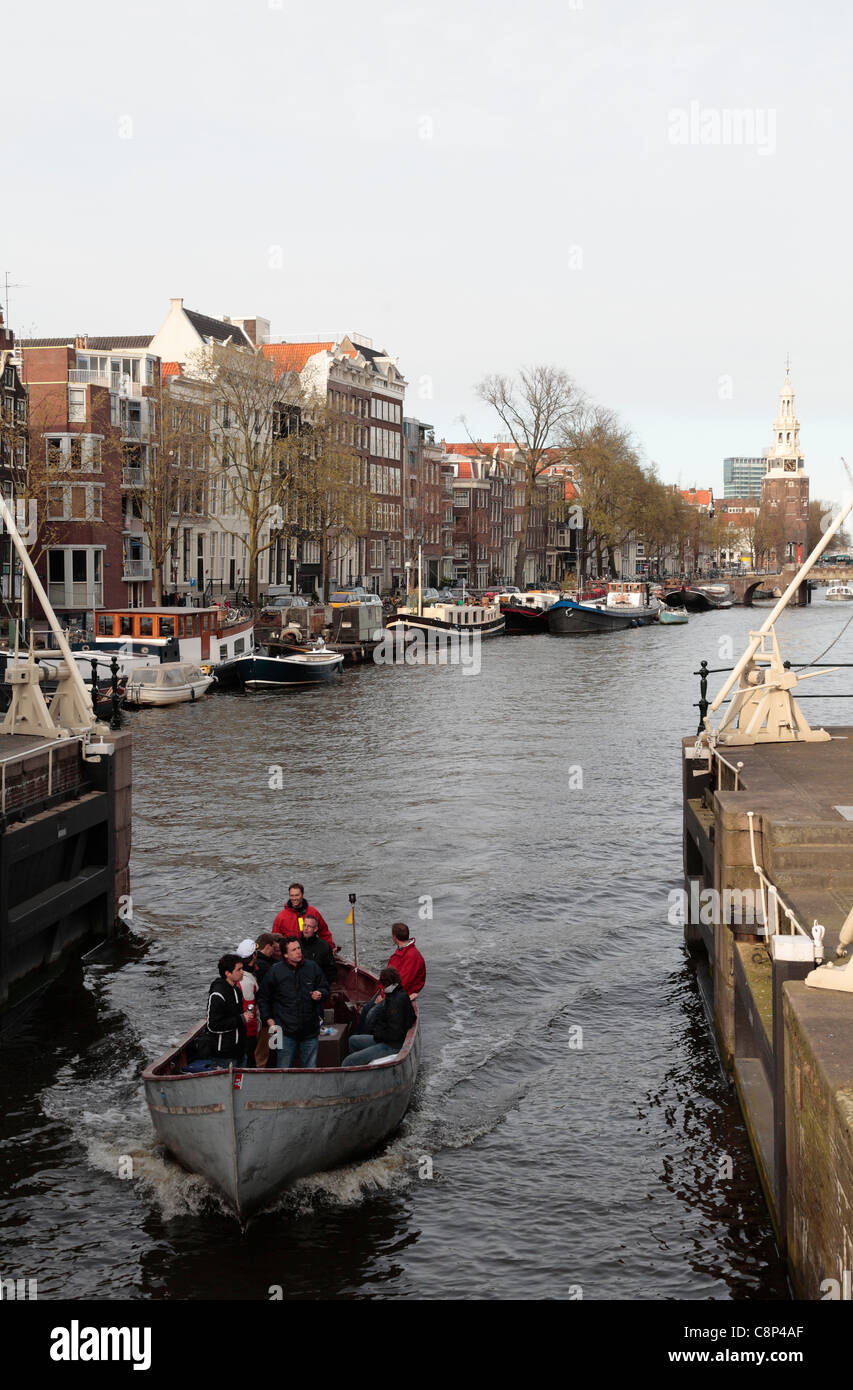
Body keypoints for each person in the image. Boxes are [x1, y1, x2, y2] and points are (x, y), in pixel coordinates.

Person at [257, 936, 329, 1069]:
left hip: (310, 1030)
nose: (298, 952)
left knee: (310, 1068)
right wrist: (269, 1020)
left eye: (299, 948)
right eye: (294, 950)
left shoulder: (312, 967)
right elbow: (263, 998)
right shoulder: (275, 971)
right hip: (284, 1032)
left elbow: (325, 988)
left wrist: (320, 994)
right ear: (285, 954)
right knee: (283, 1068)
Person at [342, 967, 416, 1067]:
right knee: (353, 1040)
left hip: (391, 1045)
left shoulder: (395, 1001)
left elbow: (394, 1034)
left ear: (385, 983)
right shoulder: (398, 993)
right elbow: (412, 1018)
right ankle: (363, 1064)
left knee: (348, 1061)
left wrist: (378, 1034)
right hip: (387, 1039)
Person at [205, 954, 247, 1064]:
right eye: (239, 969)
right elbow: (212, 1025)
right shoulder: (218, 994)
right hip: (224, 1055)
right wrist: (241, 1019)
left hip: (239, 1051)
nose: (242, 972)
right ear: (227, 973)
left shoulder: (236, 990)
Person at [273, 882, 337, 952]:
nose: (294, 898)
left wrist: (331, 947)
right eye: (292, 895)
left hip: (311, 950)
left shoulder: (313, 912)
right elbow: (275, 940)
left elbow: (324, 932)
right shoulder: (281, 917)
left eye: (297, 895)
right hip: (291, 954)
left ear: (302, 895)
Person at [235, 938, 260, 1066]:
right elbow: (249, 1009)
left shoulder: (242, 976)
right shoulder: (247, 981)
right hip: (247, 1033)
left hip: (242, 1030)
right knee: (249, 1061)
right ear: (253, 956)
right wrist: (252, 1034)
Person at [387, 922, 426, 999]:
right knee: (367, 1008)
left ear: (394, 937)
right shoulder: (402, 950)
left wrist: (384, 994)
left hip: (399, 995)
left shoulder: (411, 956)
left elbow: (403, 982)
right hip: (392, 990)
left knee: (370, 1011)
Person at [300, 915, 337, 989]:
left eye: (309, 926)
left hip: (317, 985)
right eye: (304, 925)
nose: (306, 929)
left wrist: (322, 987)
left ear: (315, 929)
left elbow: (331, 971)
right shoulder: (296, 944)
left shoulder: (324, 946)